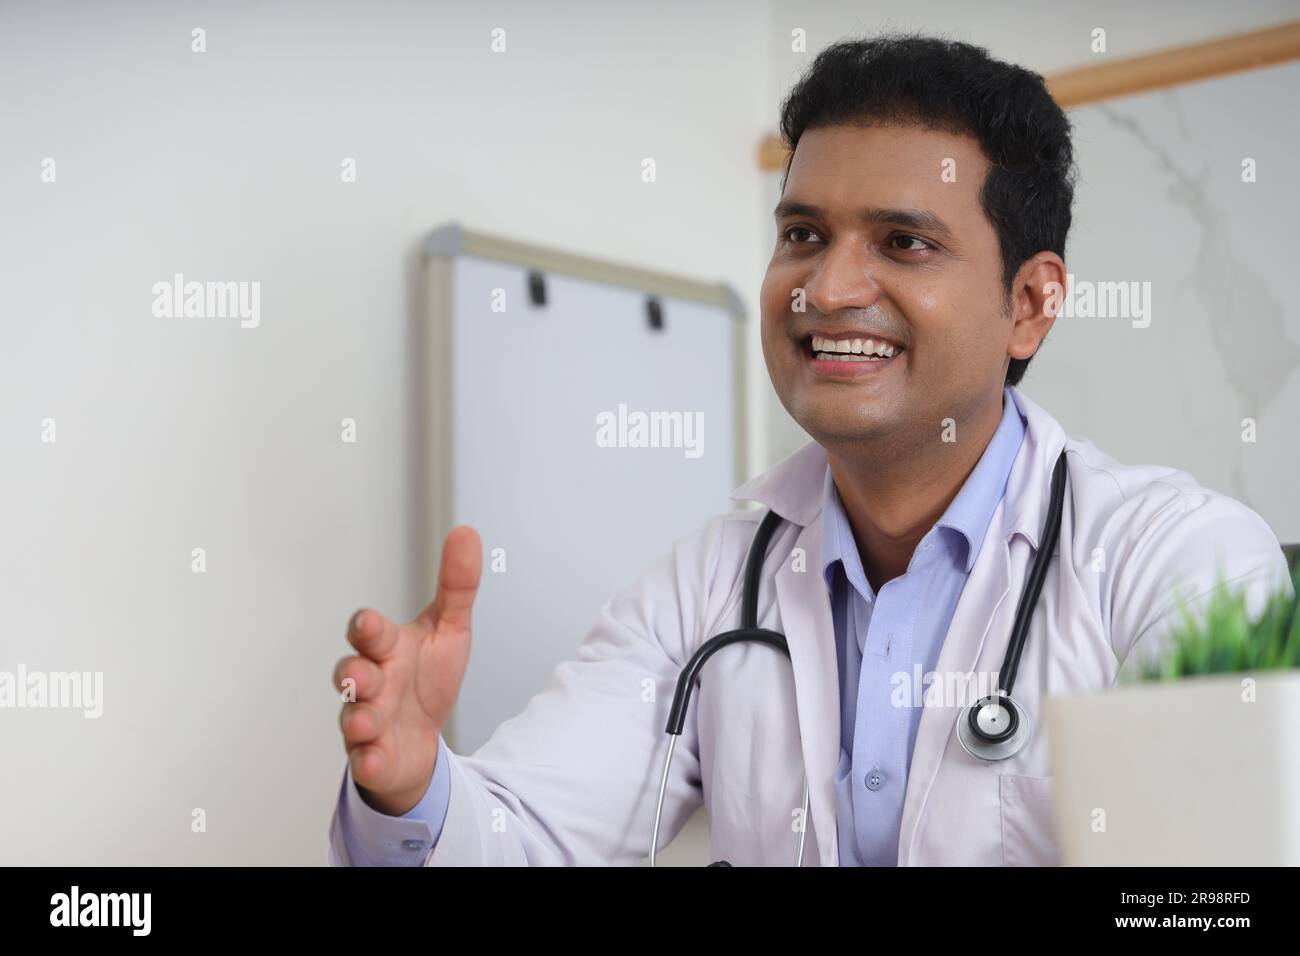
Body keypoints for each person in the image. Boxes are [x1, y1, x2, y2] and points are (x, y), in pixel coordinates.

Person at [327, 34, 1291, 866]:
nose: (827, 288)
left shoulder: (1183, 563)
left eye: (904, 243)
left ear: (1030, 304)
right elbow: (527, 839)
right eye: (802, 232)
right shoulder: (707, 587)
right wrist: (414, 792)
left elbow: (1216, 901)